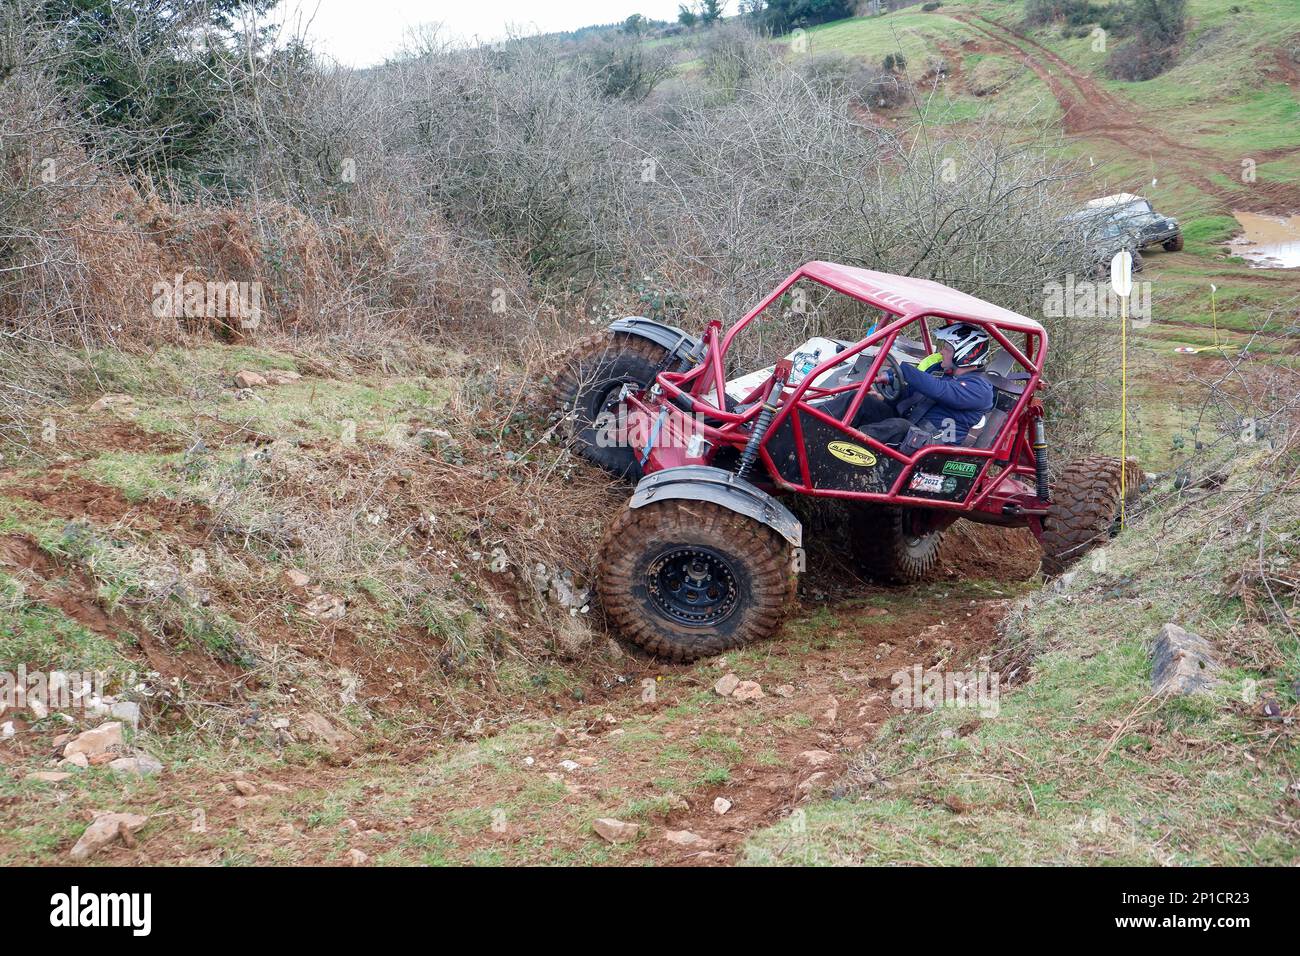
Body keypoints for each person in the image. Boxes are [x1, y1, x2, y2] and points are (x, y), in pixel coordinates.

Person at [856, 323, 995, 448]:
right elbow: (911, 395)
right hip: (912, 429)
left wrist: (901, 365)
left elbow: (940, 391)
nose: (941, 352)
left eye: (947, 348)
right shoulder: (940, 371)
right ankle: (834, 432)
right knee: (863, 400)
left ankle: (849, 445)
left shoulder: (980, 389)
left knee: (899, 427)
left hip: (935, 446)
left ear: (966, 354)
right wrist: (882, 398)